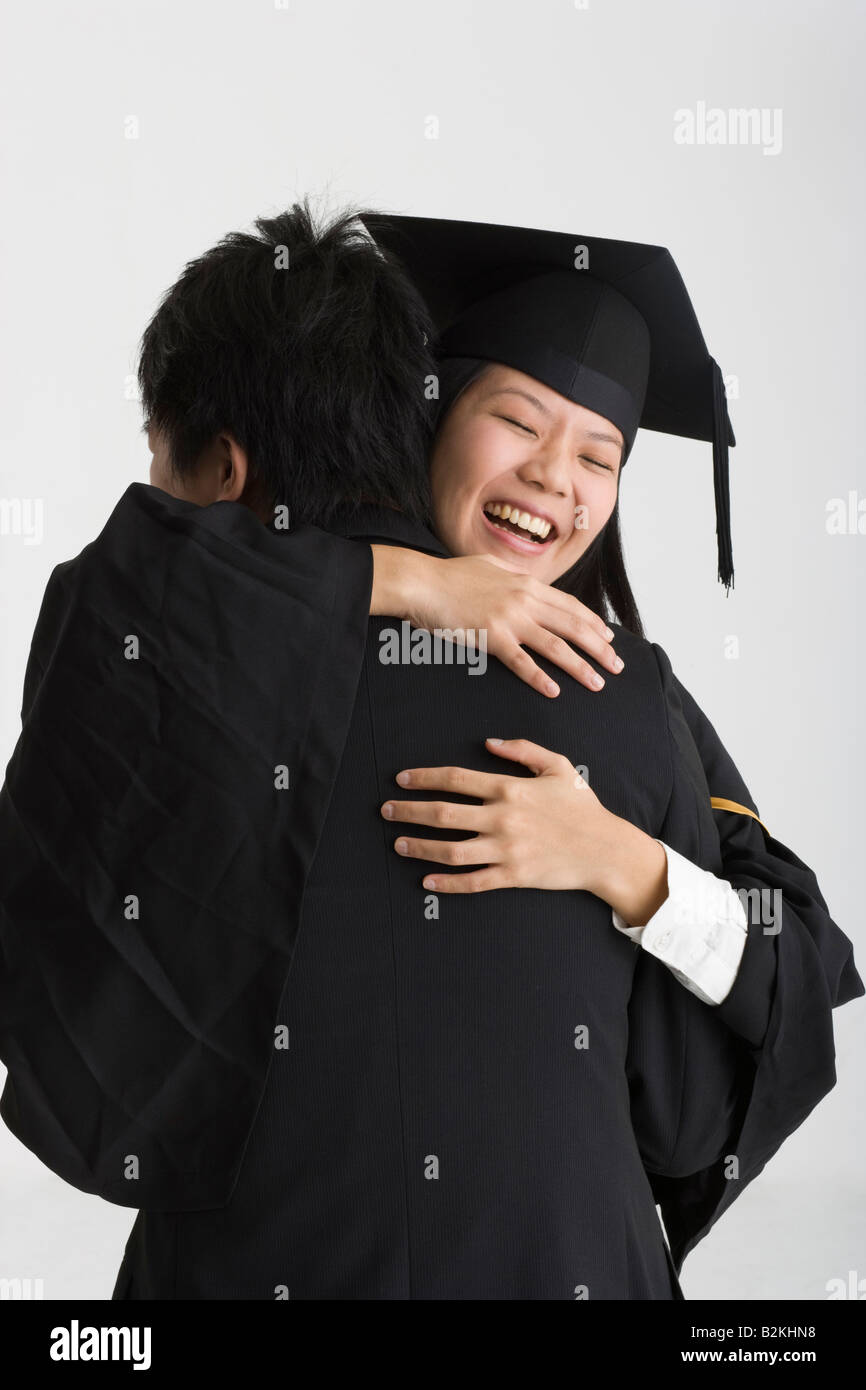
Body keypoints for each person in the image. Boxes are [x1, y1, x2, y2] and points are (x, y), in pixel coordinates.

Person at [112, 215, 861, 1298]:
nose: (556, 479)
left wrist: (618, 862)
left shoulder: (215, 633)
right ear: (422, 416)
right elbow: (690, 1108)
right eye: (517, 421)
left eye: (598, 455)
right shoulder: (623, 701)